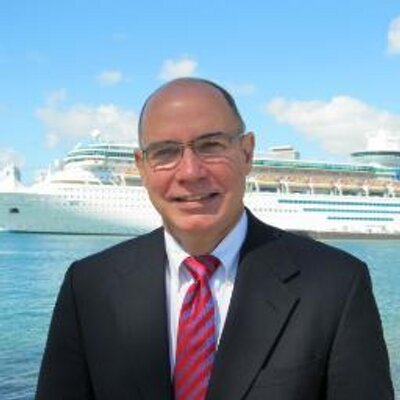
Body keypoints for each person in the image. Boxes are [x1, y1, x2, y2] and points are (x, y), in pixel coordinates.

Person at [36, 78, 394, 399]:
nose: (190, 172)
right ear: (141, 167)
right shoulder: (88, 285)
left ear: (247, 153)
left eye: (211, 146)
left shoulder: (337, 285)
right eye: (165, 152)